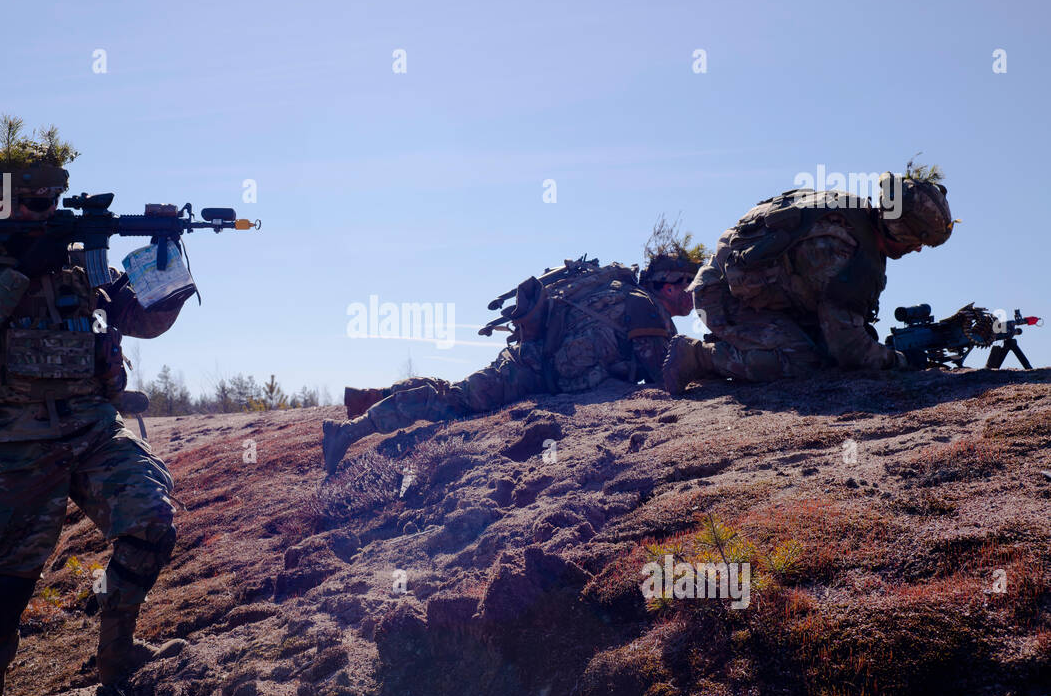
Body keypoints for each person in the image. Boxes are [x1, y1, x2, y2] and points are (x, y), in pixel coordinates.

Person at [0, 121, 188, 696]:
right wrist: (19, 271)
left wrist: (166, 258)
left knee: (152, 519)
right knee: (8, 589)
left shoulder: (82, 267)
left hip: (91, 425)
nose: (47, 211)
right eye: (33, 201)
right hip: (13, 443)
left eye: (53, 200)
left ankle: (118, 652)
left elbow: (145, 321)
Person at [323, 230, 703, 474]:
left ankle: (371, 398)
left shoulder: (624, 297)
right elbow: (662, 372)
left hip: (529, 360)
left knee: (455, 392)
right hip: (531, 371)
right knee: (454, 403)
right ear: (666, 286)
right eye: (688, 283)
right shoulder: (645, 307)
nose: (693, 292)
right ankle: (350, 430)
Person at [663, 165, 953, 393]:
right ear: (900, 228)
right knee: (804, 361)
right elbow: (848, 348)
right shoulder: (844, 251)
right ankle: (698, 356)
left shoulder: (849, 210)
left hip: (728, 284)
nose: (916, 249)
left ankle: (745, 343)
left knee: (821, 348)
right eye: (917, 241)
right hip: (719, 297)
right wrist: (900, 360)